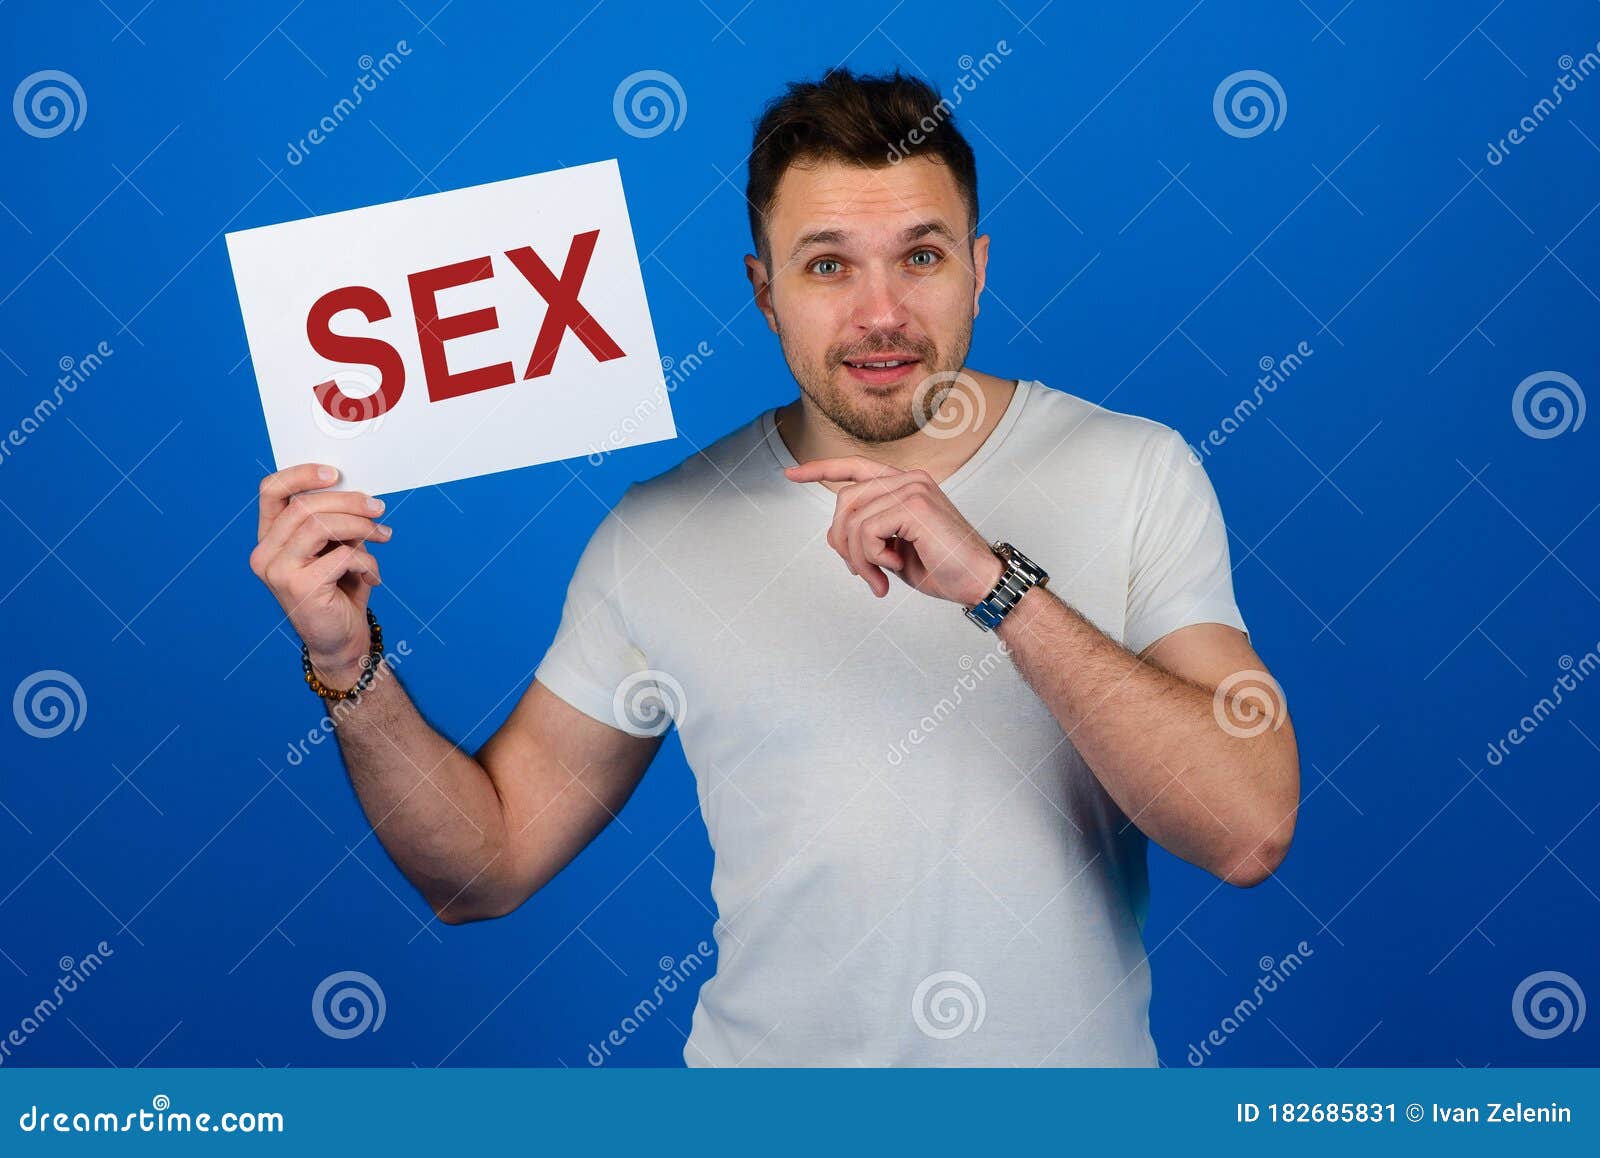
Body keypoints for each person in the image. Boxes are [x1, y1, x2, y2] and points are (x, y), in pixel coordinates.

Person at [249, 68, 1299, 1066]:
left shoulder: (1131, 468)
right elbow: (481, 870)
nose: (880, 313)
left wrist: (997, 587)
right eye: (828, 264)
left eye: (920, 257)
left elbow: (1247, 829)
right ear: (764, 289)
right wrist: (348, 663)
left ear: (979, 268)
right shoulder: (659, 531)